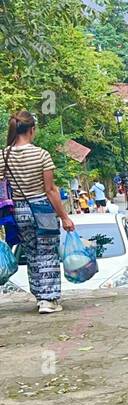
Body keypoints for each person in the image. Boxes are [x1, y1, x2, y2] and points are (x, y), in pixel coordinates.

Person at [2, 111, 76, 313]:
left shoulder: (3, 156)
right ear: (32, 130)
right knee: (48, 253)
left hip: (18, 211)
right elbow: (50, 190)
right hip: (42, 208)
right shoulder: (41, 154)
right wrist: (64, 217)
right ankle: (48, 299)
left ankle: (38, 295)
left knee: (32, 253)